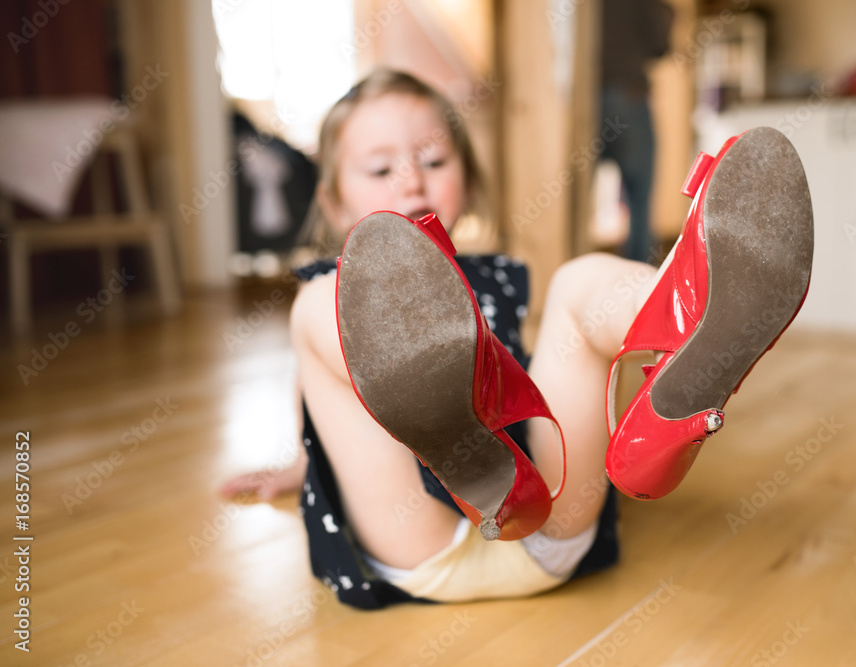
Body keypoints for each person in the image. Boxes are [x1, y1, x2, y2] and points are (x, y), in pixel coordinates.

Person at [219, 69, 814, 609]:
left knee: (580, 284)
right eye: (380, 169)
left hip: (543, 520)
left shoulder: (499, 277)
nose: (410, 180)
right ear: (333, 199)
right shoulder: (331, 292)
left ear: (469, 181)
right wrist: (299, 467)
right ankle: (451, 418)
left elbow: (556, 374)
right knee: (325, 302)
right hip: (433, 538)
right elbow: (321, 407)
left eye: (433, 160)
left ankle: (687, 316)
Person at [599, 0, 675, 263]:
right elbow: (660, 44)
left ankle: (576, 272)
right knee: (640, 198)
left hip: (583, 101)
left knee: (573, 197)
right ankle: (637, 282)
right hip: (628, 97)